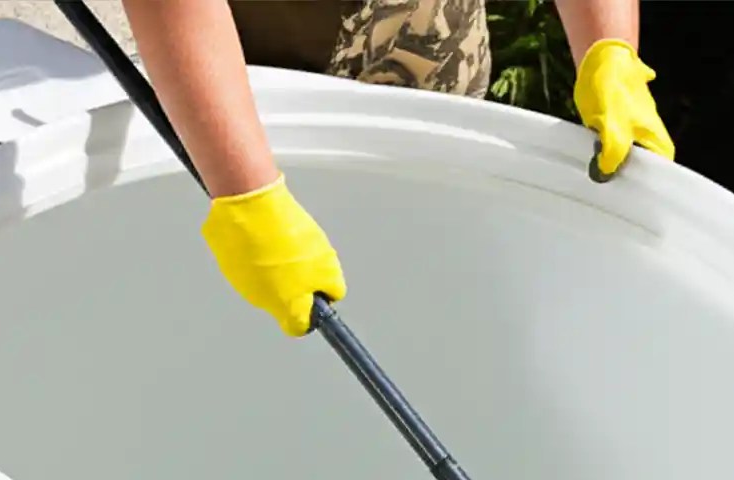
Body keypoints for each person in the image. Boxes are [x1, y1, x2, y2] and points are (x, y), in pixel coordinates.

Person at [120, 0, 674, 337]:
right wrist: (245, 191)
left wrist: (610, 50)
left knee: (426, 303)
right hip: (265, 105)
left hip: (441, 72)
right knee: (267, 316)